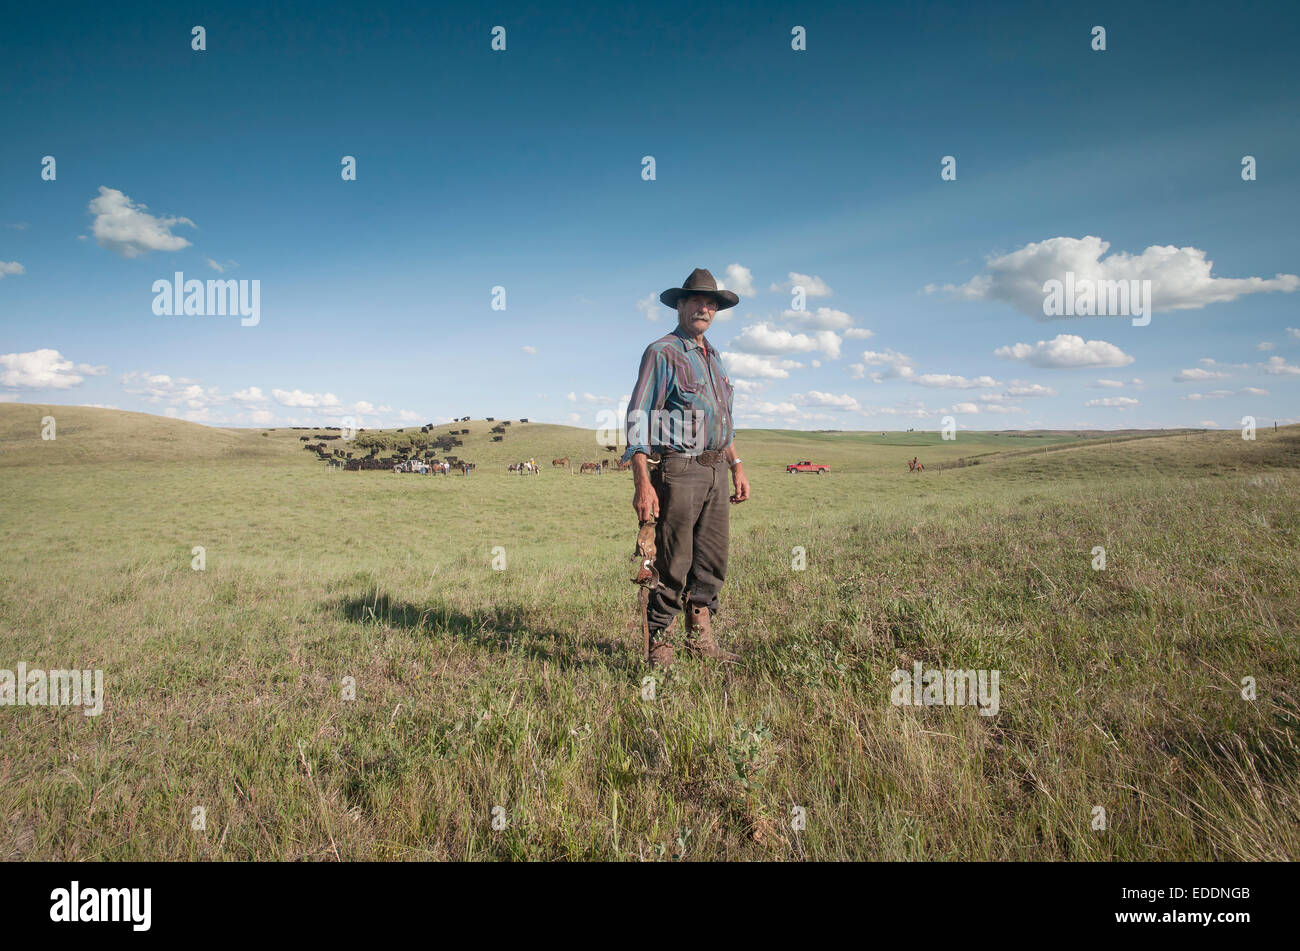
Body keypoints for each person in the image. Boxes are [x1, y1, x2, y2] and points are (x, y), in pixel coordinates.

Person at [623, 268, 750, 667]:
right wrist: (643, 483)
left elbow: (720, 420)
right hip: (679, 469)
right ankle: (659, 644)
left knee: (712, 560)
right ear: (680, 305)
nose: (704, 308)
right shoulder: (663, 352)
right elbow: (638, 418)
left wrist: (736, 464)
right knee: (674, 561)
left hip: (715, 469)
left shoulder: (714, 357)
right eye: (696, 300)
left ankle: (701, 641)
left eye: (711, 303)